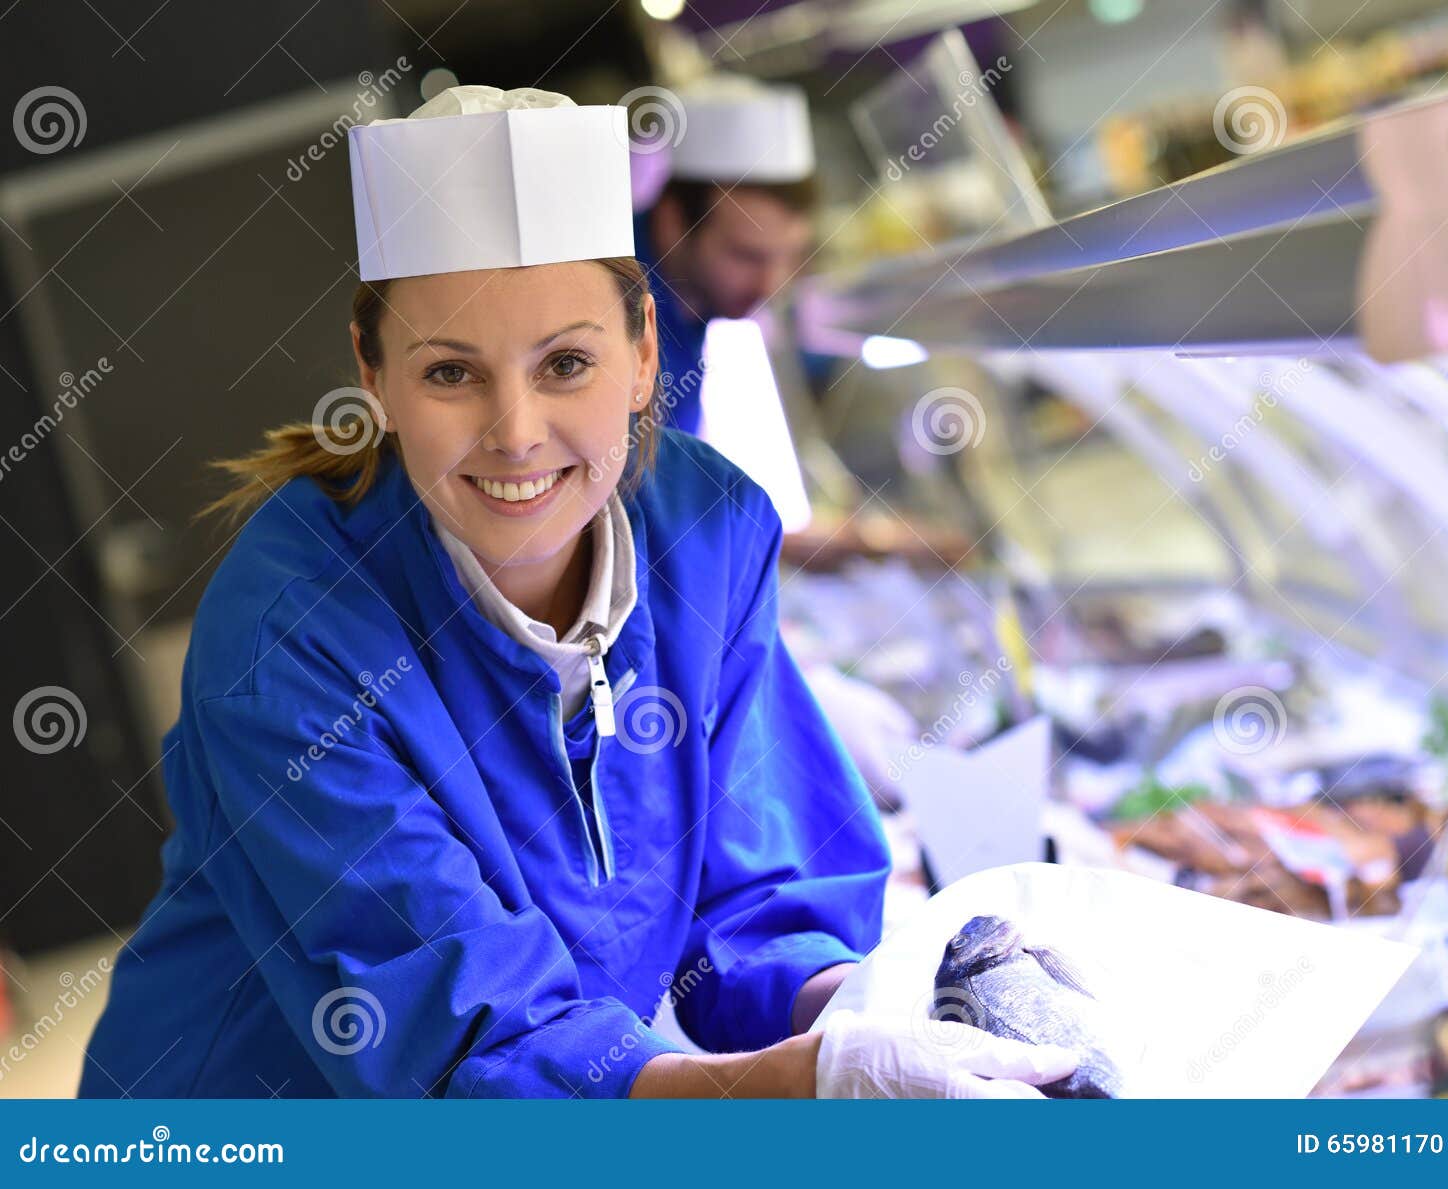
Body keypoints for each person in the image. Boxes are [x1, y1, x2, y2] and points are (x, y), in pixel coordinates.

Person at [78, 86, 1075, 1099]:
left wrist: (888, 1003)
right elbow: (468, 1040)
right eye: (450, 374)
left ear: (643, 353)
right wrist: (796, 1083)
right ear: (372, 374)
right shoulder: (289, 633)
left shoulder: (705, 534)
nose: (514, 432)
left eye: (565, 362)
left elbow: (755, 898)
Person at [637, 75, 817, 436]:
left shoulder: (694, 304)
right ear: (673, 221)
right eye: (747, 256)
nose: (772, 285)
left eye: (789, 257)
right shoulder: (618, 315)